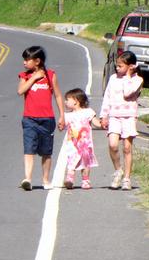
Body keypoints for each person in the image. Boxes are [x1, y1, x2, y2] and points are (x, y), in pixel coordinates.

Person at [17, 45, 65, 191]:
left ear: (37, 61)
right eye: (24, 60)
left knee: (46, 152)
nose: (24, 62)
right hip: (29, 119)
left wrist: (62, 115)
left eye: (27, 60)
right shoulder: (24, 76)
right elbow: (20, 91)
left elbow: (57, 95)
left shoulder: (51, 75)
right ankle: (28, 179)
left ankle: (45, 179)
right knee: (29, 150)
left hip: (47, 119)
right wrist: (33, 78)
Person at [100, 51, 144, 190]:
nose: (117, 69)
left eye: (120, 66)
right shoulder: (113, 78)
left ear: (131, 66)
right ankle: (118, 170)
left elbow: (127, 93)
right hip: (114, 115)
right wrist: (104, 115)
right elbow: (107, 96)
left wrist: (128, 76)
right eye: (117, 66)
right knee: (113, 145)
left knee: (127, 148)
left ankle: (126, 178)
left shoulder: (137, 80)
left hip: (129, 116)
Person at [62, 88, 101, 190]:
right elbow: (62, 126)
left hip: (85, 143)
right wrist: (60, 125)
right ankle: (69, 179)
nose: (65, 102)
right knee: (72, 160)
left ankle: (85, 180)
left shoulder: (88, 112)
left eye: (67, 99)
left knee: (86, 162)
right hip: (73, 144)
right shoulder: (67, 115)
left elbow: (95, 122)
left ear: (76, 101)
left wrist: (102, 124)